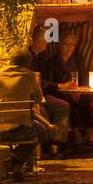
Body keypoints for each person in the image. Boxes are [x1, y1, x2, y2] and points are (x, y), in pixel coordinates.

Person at [0, 46, 54, 180]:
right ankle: (15, 161)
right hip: (19, 128)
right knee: (42, 130)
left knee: (31, 128)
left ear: (10, 60)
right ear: (28, 63)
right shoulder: (30, 76)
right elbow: (39, 99)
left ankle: (11, 163)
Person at [26, 27, 72, 156]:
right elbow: (36, 81)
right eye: (46, 39)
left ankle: (57, 142)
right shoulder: (28, 57)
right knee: (47, 110)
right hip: (32, 96)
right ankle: (51, 143)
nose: (48, 42)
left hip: (43, 93)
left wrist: (57, 87)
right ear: (36, 40)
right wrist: (58, 86)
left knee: (64, 105)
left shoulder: (41, 56)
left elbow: (44, 79)